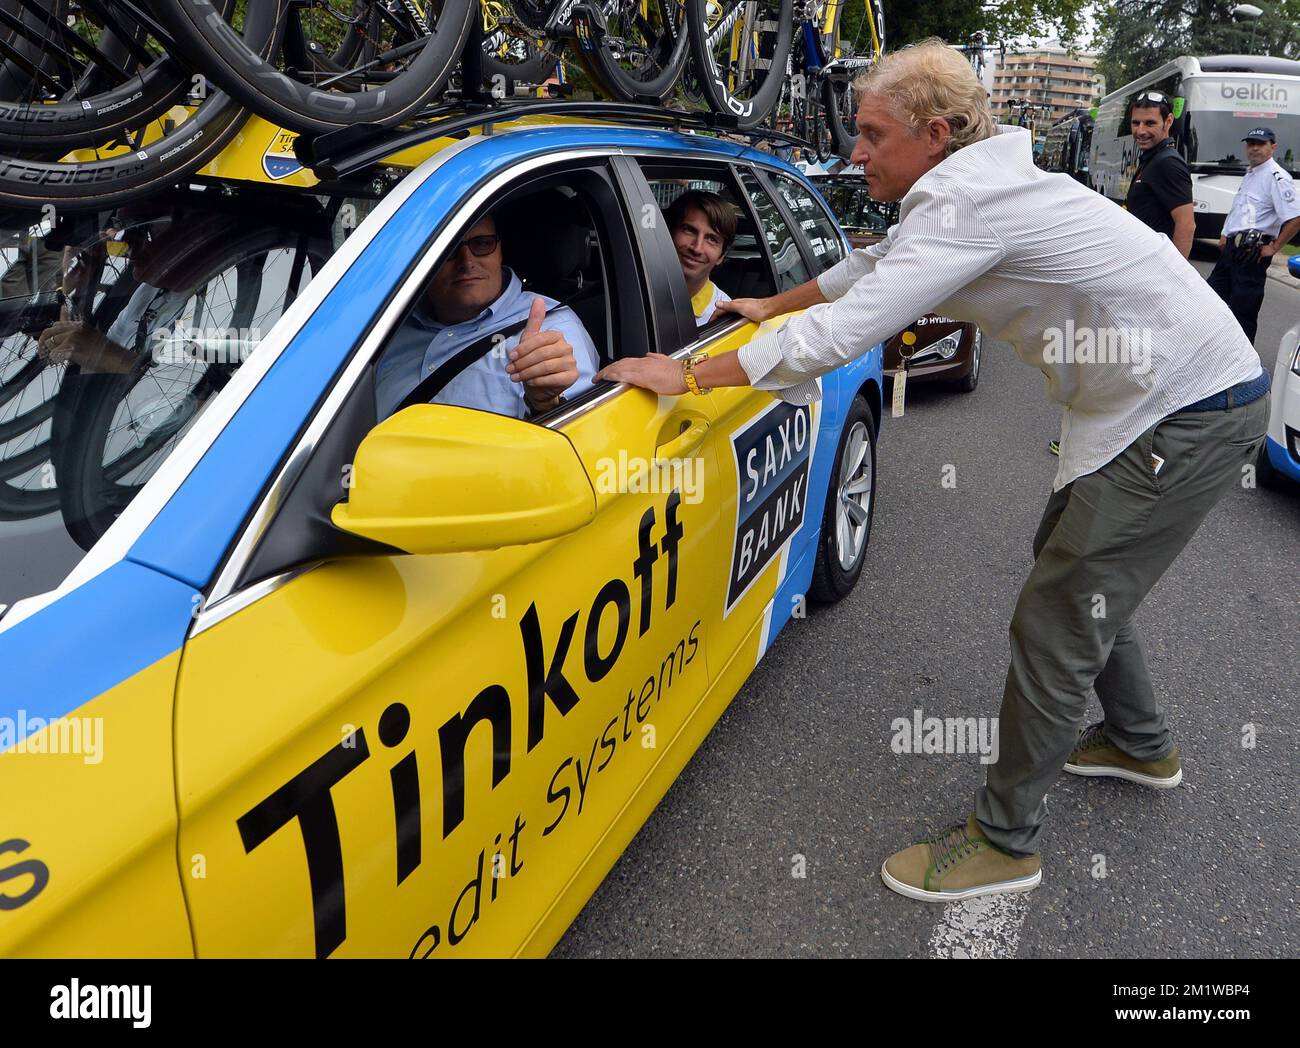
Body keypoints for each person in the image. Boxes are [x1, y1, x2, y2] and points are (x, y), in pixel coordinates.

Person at [598, 39, 1269, 903]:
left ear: (939, 133)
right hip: (1153, 400)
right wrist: (768, 301)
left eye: (873, 134)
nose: (856, 152)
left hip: (1181, 410)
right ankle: (1140, 743)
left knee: (1059, 611)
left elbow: (842, 337)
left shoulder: (967, 206)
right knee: (1073, 570)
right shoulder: (968, 191)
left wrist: (684, 373)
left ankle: (1005, 842)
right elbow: (873, 267)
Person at [374, 212, 599, 420]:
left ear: (500, 250)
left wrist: (545, 404)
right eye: (448, 248)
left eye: (482, 244)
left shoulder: (552, 329)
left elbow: (583, 438)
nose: (466, 262)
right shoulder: (384, 326)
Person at [1206, 127, 1300, 345]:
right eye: (1251, 143)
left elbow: (1295, 218)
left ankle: (1243, 367)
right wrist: (1224, 234)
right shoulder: (1251, 172)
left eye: (1261, 144)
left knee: (1243, 313)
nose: (1254, 148)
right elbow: (1240, 207)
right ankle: (1215, 352)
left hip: (1252, 254)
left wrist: (1274, 248)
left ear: (1272, 146)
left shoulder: (1276, 177)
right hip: (1232, 251)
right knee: (1210, 302)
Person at [1124, 90, 1195, 258]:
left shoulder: (1168, 163)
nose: (1140, 131)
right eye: (1136, 123)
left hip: (1154, 268)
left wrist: (1176, 275)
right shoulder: (1154, 158)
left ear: (1168, 121)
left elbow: (1186, 225)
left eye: (1150, 123)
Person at [665, 190, 734, 326]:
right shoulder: (630, 284)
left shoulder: (723, 315)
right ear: (668, 232)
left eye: (711, 239)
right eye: (689, 230)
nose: (697, 248)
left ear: (721, 256)